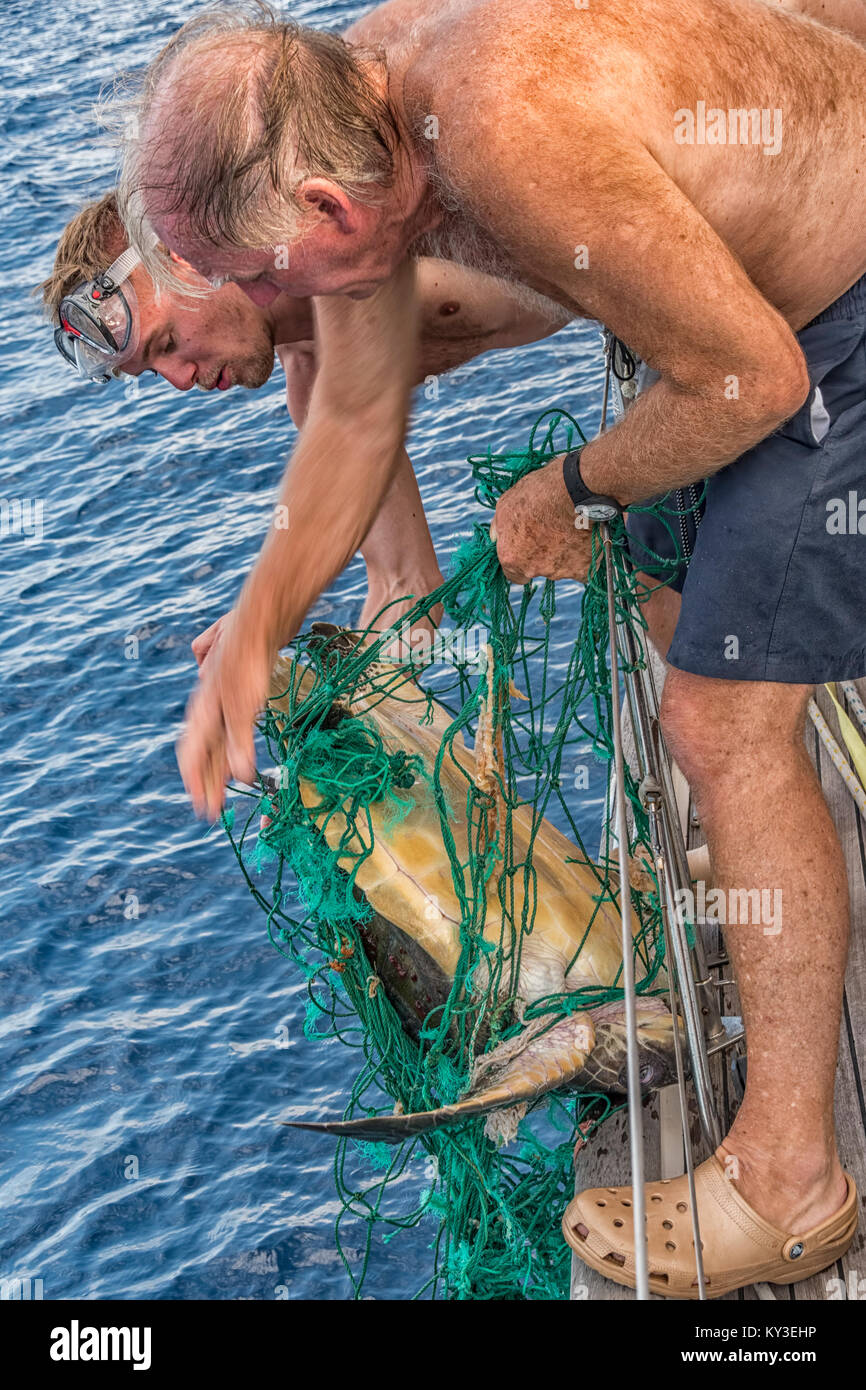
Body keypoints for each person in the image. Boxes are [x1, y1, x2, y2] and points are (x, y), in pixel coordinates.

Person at [113, 0, 866, 1296]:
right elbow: (351, 413)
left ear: (320, 214)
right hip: (740, 294)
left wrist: (568, 485)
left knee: (716, 726)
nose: (245, 309)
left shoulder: (506, 130)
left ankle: (790, 1180)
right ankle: (751, 885)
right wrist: (251, 635)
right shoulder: (355, 125)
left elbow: (750, 384)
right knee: (675, 597)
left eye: (246, 277)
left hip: (821, 320)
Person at [43, 191, 563, 648]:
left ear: (185, 255)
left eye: (168, 343)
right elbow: (406, 588)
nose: (180, 380)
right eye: (153, 372)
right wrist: (342, 708)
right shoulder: (315, 393)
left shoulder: (345, 229)